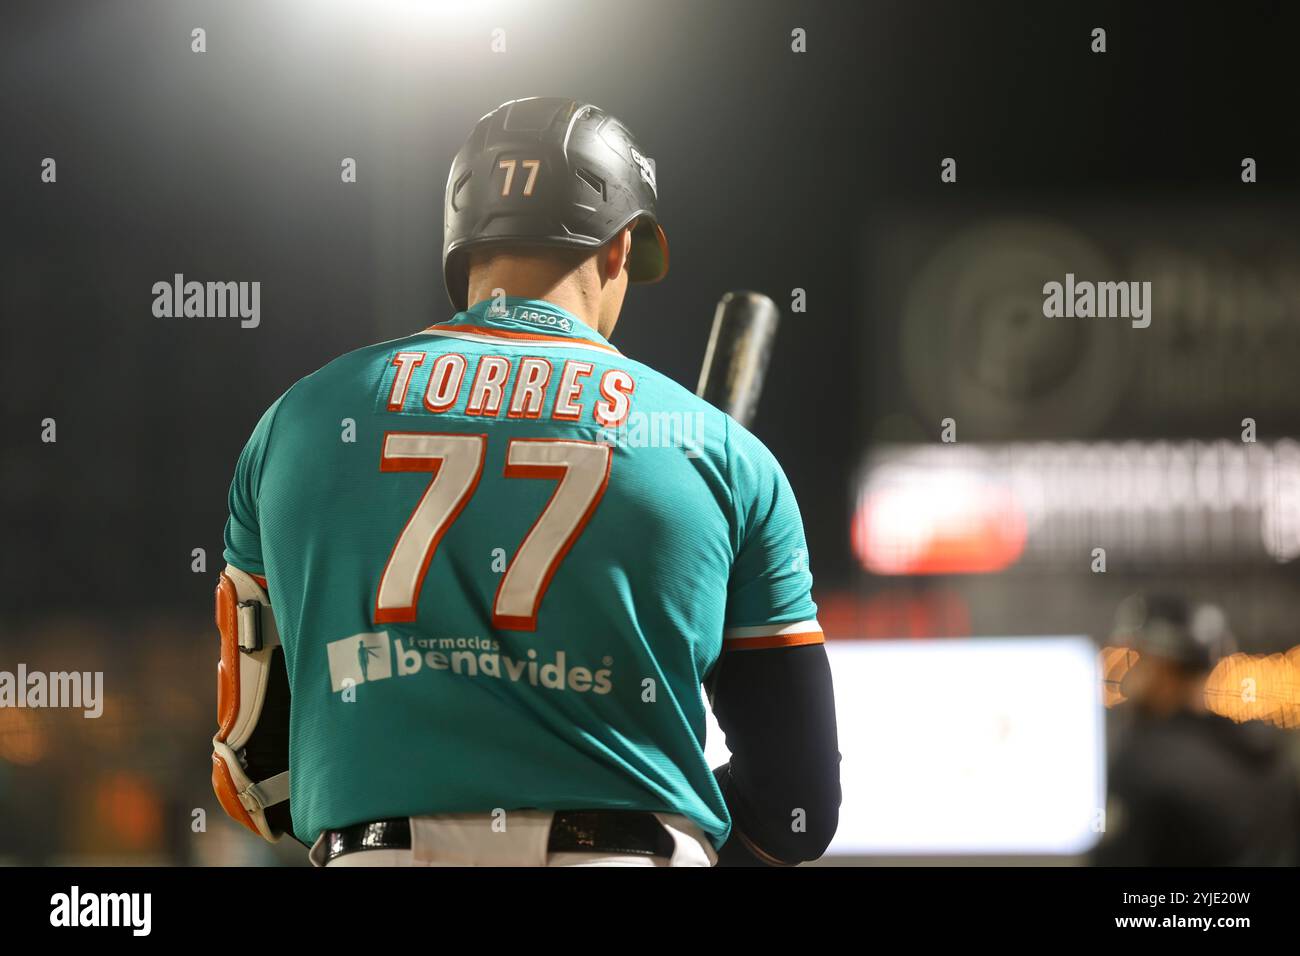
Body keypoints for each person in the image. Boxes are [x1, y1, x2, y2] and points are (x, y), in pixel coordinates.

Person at [210, 96, 840, 867]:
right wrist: (688, 826)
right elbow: (798, 805)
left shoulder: (297, 423)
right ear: (619, 250)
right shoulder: (721, 452)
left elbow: (253, 770)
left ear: (463, 249)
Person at [1092, 593, 1300, 866]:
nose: (1123, 672)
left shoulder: (1147, 763)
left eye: (1132, 656)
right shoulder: (1267, 758)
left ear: (1160, 665)